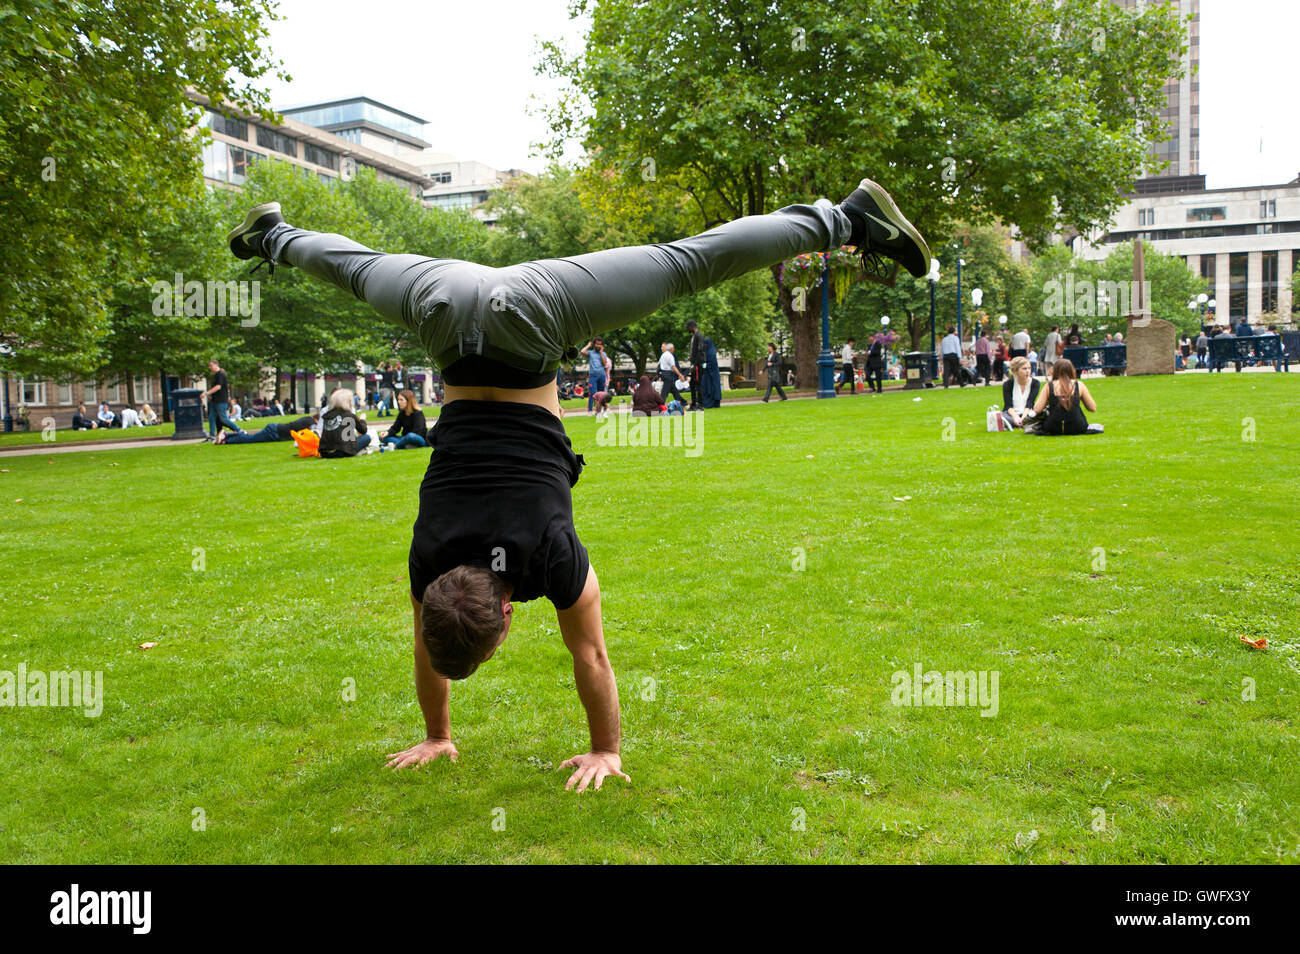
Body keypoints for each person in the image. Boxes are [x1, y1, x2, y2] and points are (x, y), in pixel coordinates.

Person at [225, 173, 930, 789]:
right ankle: (274, 234)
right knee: (355, 269)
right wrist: (436, 735)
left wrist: (605, 750)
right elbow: (427, 640)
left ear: (505, 619)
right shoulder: (429, 561)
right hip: (443, 305)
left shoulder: (545, 556)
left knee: (688, 264)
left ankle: (849, 218)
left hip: (533, 318)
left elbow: (590, 654)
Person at [1032, 359, 1102, 435]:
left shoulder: (1049, 386)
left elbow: (1037, 409)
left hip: (1053, 427)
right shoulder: (1079, 385)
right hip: (1077, 426)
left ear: (1055, 371)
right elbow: (1092, 408)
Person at [318, 387, 371, 457]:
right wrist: (362, 420)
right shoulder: (349, 415)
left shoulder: (327, 415)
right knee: (366, 437)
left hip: (325, 452)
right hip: (343, 451)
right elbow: (363, 430)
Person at [216, 411, 317, 444]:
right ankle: (226, 439)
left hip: (276, 430)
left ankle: (226, 436)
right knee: (251, 439)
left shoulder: (308, 419)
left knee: (252, 437)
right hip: (275, 432)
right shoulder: (310, 422)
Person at [201, 358, 239, 439]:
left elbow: (218, 387)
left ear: (216, 365)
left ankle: (239, 430)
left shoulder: (220, 374)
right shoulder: (216, 375)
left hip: (221, 401)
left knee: (223, 419)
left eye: (211, 365)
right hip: (215, 400)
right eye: (209, 366)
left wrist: (207, 393)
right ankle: (211, 436)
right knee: (211, 418)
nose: (210, 367)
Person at [1000, 356, 1041, 428]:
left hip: (1028, 413)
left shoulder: (1035, 383)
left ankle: (1021, 423)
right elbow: (1008, 405)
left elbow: (1030, 403)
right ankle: (1018, 423)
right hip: (1011, 414)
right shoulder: (1008, 384)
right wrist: (1015, 417)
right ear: (1016, 371)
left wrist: (1023, 418)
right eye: (1024, 369)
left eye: (1029, 368)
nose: (1028, 371)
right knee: (1001, 416)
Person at [580, 338, 609, 412]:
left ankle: (600, 410)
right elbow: (582, 351)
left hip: (602, 376)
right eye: (597, 344)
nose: (598, 345)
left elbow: (604, 363)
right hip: (593, 376)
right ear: (594, 344)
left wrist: (601, 352)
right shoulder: (590, 353)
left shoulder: (604, 354)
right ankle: (590, 411)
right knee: (592, 394)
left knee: (601, 394)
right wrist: (588, 345)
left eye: (600, 344)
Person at [685, 319, 705, 411]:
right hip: (693, 363)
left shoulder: (699, 336)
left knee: (698, 383)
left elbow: (700, 351)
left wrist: (695, 365)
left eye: (688, 327)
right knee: (692, 384)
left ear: (692, 326)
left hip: (698, 364)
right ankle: (693, 404)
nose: (687, 329)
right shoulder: (693, 336)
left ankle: (700, 405)